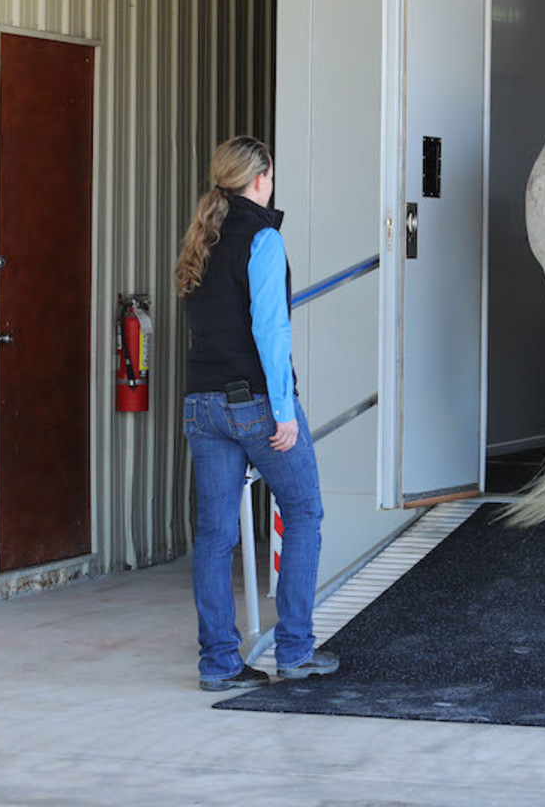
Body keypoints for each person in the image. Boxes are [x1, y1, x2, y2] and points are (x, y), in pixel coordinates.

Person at [175, 135, 338, 691]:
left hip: (201, 404)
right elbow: (271, 330)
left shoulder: (202, 238)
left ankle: (218, 664)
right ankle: (294, 651)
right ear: (261, 178)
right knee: (304, 512)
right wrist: (284, 408)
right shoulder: (262, 238)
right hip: (254, 403)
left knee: (215, 536)